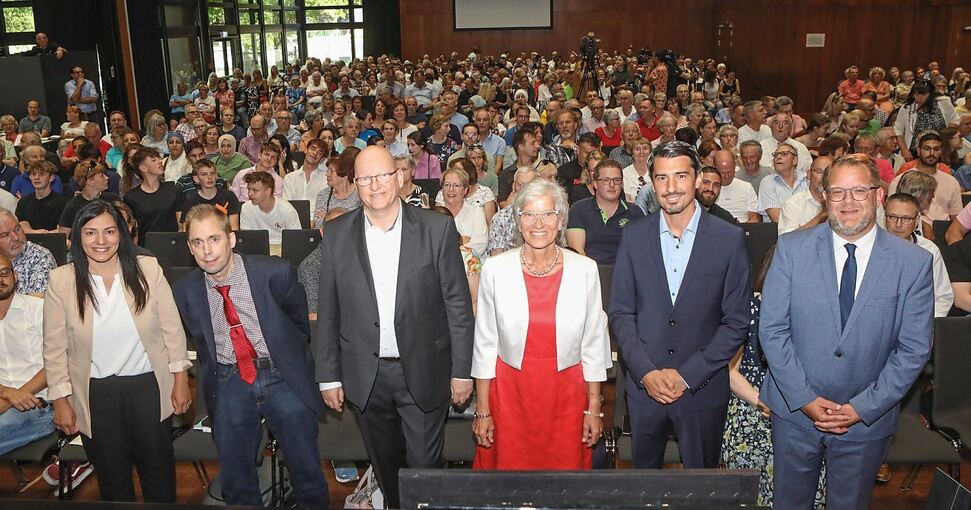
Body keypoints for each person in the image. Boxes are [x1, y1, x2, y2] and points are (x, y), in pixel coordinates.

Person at [759, 154, 934, 510]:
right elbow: (773, 330)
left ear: (878, 195)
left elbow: (914, 348)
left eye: (859, 191)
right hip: (794, 413)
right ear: (824, 197)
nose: (848, 202)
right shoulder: (791, 250)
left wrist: (861, 407)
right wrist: (805, 399)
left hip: (866, 419)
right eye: (837, 192)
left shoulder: (912, 263)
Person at [313, 146, 474, 509]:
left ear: (399, 177)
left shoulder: (437, 228)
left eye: (383, 175)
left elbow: (458, 307)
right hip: (365, 375)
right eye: (365, 178)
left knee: (423, 467)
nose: (375, 185)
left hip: (424, 369)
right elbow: (329, 309)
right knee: (386, 468)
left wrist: (463, 371)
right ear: (355, 183)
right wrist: (328, 375)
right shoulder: (337, 234)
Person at [172, 204, 330, 507]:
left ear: (231, 239)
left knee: (306, 470)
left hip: (281, 377)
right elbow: (199, 340)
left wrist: (284, 359)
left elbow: (300, 325)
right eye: (197, 242)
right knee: (236, 479)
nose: (207, 251)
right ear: (190, 247)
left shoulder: (275, 273)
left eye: (214, 239)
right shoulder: (186, 290)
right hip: (230, 381)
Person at [609, 141, 751, 469]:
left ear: (698, 179)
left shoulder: (729, 239)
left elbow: (736, 322)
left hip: (702, 389)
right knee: (643, 491)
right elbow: (620, 312)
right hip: (646, 391)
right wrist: (646, 372)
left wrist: (688, 375)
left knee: (702, 492)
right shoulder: (633, 236)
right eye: (661, 178)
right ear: (652, 183)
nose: (671, 188)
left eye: (681, 176)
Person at [44, 200, 191, 502]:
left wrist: (180, 379)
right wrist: (60, 399)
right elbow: (54, 348)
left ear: (123, 234)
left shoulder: (147, 269)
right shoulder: (62, 280)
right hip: (95, 393)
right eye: (90, 233)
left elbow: (172, 330)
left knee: (159, 475)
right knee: (112, 482)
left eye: (109, 231)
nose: (101, 241)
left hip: (147, 386)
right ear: (77, 236)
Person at [472, 177, 610, 469]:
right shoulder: (495, 269)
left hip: (567, 396)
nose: (538, 223)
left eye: (548, 214)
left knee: (564, 481)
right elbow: (485, 344)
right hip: (510, 396)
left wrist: (594, 408)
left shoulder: (585, 270)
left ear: (561, 220)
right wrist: (483, 411)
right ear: (518, 220)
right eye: (529, 214)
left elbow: (595, 345)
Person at [721, 247, 826, 508]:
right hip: (754, 404)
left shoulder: (820, 312)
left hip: (806, 406)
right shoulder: (748, 309)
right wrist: (762, 401)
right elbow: (729, 372)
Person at [0, 251, 57, 455]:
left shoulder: (40, 310)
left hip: (39, 405)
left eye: (4, 272)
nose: (0, 279)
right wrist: (6, 394)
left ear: (15, 275)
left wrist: (13, 399)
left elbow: (57, 365)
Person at [883, 192, 953, 317]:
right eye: (892, 217)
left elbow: (943, 297)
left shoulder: (929, 250)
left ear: (917, 221)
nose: (898, 225)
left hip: (919, 322)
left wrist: (924, 326)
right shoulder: (870, 248)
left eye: (906, 219)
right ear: (884, 218)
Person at [567, 159, 644, 264]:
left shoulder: (635, 212)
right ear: (595, 183)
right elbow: (577, 252)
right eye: (606, 180)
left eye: (617, 180)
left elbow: (639, 251)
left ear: (622, 183)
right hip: (590, 272)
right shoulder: (579, 209)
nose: (612, 185)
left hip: (625, 274)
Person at [888, 131, 962, 222]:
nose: (931, 153)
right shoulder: (901, 180)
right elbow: (892, 213)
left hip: (942, 230)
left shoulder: (951, 182)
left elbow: (956, 219)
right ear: (918, 151)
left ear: (941, 152)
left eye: (936, 149)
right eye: (926, 149)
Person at [124, 148, 182, 245]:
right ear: (143, 168)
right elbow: (133, 230)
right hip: (146, 247)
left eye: (159, 158)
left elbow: (181, 225)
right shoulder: (131, 197)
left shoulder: (173, 189)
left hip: (173, 245)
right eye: (153, 160)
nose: (160, 162)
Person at [894, 78, 960, 161]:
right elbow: (898, 130)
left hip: (940, 150)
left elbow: (955, 120)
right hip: (914, 152)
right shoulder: (906, 108)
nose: (919, 97)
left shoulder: (943, 102)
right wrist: (904, 150)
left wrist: (946, 136)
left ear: (931, 94)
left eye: (923, 94)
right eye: (916, 94)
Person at [240, 171, 301, 256]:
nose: (250, 193)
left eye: (255, 190)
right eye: (249, 189)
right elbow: (246, 239)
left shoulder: (287, 210)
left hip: (283, 249)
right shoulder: (246, 208)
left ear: (268, 191)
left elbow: (296, 240)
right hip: (257, 250)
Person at [0, 209, 56, 295]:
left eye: (17, 229)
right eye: (5, 235)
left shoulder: (40, 257)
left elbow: (37, 302)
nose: (15, 238)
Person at [58, 161, 120, 236]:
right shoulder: (73, 206)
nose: (107, 178)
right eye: (102, 176)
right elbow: (63, 236)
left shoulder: (113, 200)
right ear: (90, 181)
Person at [439, 165, 489, 257]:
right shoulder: (436, 214)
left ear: (465, 190)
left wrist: (449, 252)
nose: (451, 189)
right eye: (447, 185)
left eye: (456, 185)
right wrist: (462, 241)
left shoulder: (476, 212)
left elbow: (479, 244)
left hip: (471, 267)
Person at [180, 159, 240, 230]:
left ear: (216, 176)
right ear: (196, 179)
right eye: (204, 174)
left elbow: (234, 228)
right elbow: (185, 229)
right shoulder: (191, 198)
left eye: (212, 173)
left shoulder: (229, 196)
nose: (209, 177)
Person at [778, 156, 832, 235]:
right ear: (809, 174)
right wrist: (822, 215)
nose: (824, 177)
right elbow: (787, 240)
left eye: (829, 173)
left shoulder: (844, 202)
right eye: (819, 172)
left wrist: (802, 229)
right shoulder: (792, 204)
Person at [759, 143, 808, 222]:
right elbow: (777, 218)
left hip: (809, 231)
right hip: (779, 232)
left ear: (795, 160)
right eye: (776, 155)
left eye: (784, 154)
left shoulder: (806, 180)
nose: (778, 157)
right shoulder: (768, 182)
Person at [312, 148, 361, 227]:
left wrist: (327, 216)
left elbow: (360, 222)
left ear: (344, 173)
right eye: (327, 171)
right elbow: (318, 223)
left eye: (331, 171)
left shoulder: (359, 194)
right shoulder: (323, 195)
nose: (327, 174)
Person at [16, 161, 68, 232]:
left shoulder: (63, 203)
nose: (36, 177)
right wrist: (32, 232)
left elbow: (63, 229)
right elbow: (19, 226)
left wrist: (43, 234)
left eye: (42, 174)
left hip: (53, 241)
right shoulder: (23, 202)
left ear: (51, 178)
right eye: (33, 174)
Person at [713, 150, 760, 223]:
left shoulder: (746, 187)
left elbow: (754, 216)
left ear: (735, 167)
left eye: (729, 172)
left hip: (743, 227)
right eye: (722, 173)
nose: (726, 176)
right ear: (715, 168)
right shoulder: (709, 189)